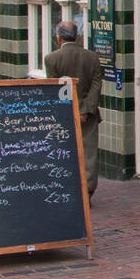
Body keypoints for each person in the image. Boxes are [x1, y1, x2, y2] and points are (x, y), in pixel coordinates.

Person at [44, 21, 103, 198]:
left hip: (65, 113)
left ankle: (68, 188)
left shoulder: (51, 58)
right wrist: (85, 110)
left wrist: (70, 110)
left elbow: (56, 88)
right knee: (89, 152)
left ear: (59, 38)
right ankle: (88, 189)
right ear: (76, 37)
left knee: (64, 150)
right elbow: (96, 85)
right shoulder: (92, 57)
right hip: (88, 115)